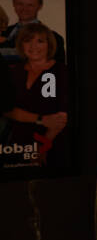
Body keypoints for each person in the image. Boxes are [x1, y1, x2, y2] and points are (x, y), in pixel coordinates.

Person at [2, 23, 68, 168]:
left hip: (51, 146)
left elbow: (61, 117)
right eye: (28, 40)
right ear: (21, 45)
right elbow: (7, 109)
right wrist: (41, 119)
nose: (33, 46)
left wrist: (42, 149)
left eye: (40, 41)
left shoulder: (60, 72)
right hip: (16, 147)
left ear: (49, 45)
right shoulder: (15, 72)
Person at [1, 0, 67, 65]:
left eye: (30, 5)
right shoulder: (2, 33)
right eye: (20, 4)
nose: (24, 9)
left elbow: (57, 71)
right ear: (14, 4)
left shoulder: (54, 38)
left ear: (40, 6)